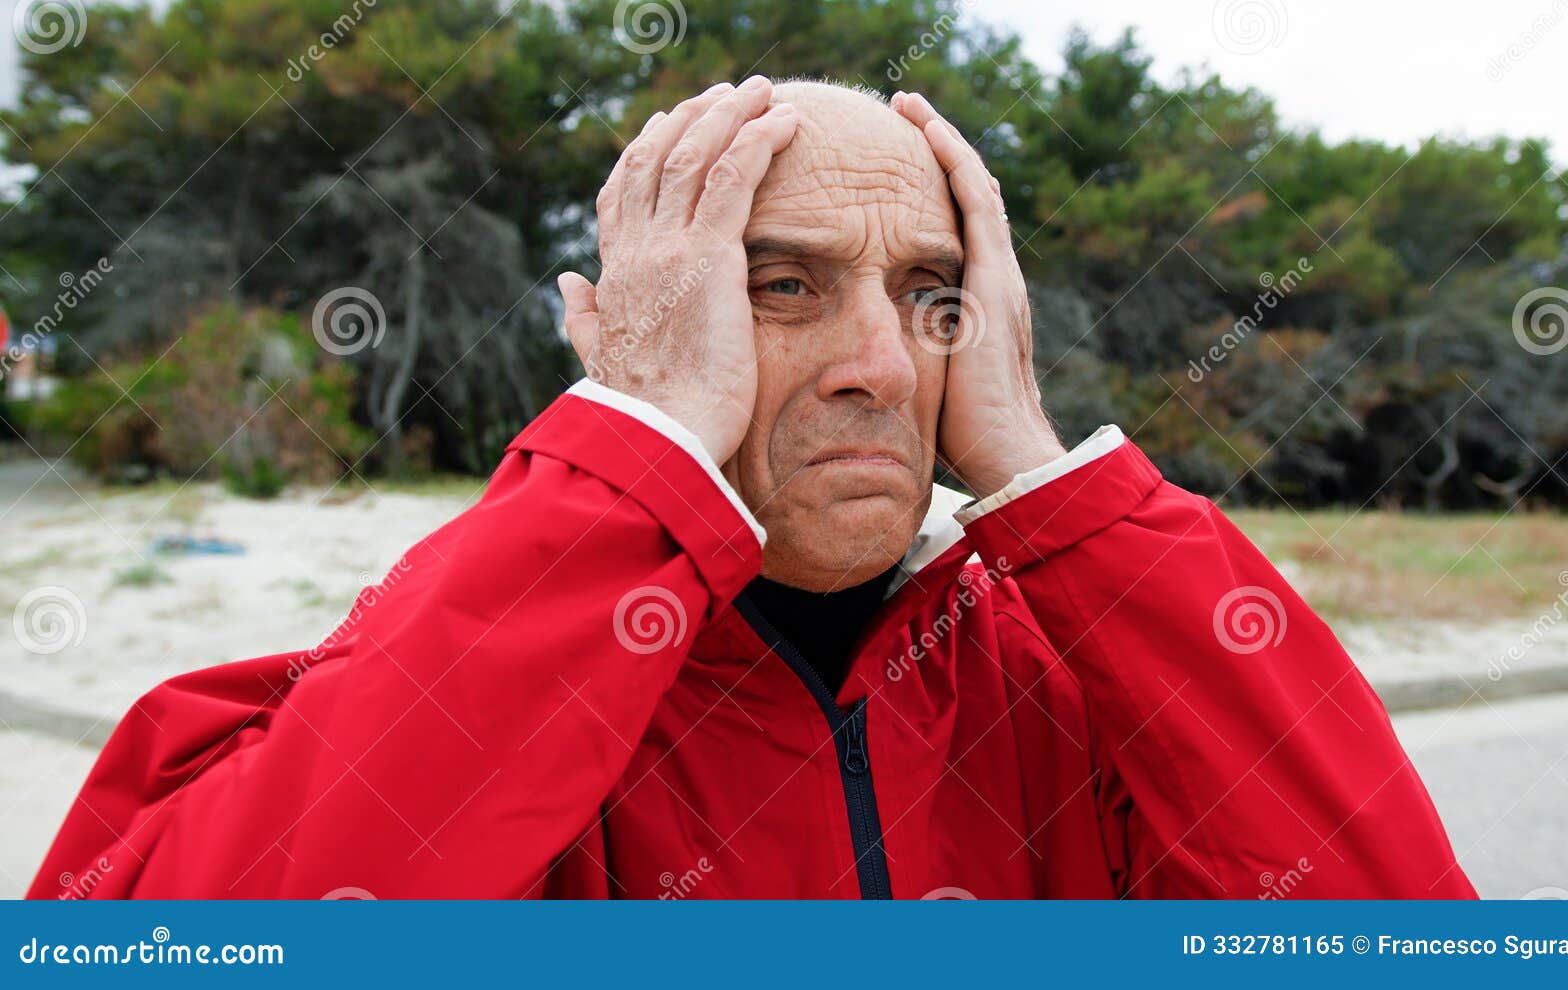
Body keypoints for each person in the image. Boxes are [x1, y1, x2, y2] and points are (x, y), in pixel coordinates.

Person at [30, 77, 1475, 899]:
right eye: (782, 285)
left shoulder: (1087, 696)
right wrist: (633, 465)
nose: (881, 367)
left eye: (932, 296)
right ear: (628, 335)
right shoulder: (425, 678)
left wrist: (1048, 477)